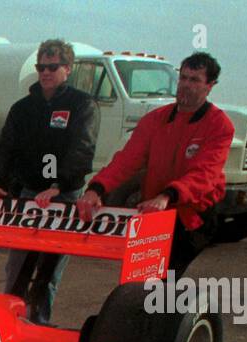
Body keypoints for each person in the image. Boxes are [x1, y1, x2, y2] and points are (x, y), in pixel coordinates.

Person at [76, 52, 234, 277]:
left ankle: (172, 309)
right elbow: (127, 160)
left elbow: (205, 173)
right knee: (139, 279)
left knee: (165, 280)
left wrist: (167, 196)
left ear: (209, 86)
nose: (186, 85)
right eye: (184, 78)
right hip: (154, 213)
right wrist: (96, 189)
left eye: (195, 80)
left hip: (191, 215)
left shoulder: (219, 125)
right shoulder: (155, 119)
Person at [0, 39, 97, 324]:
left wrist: (59, 184)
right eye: (41, 67)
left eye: (53, 67)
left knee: (49, 270)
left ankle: (40, 324)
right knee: (17, 266)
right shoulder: (23, 108)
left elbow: (82, 149)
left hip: (66, 196)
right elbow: (5, 148)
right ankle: (8, 322)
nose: (46, 72)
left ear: (67, 69)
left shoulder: (82, 105)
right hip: (30, 194)